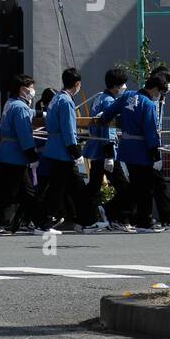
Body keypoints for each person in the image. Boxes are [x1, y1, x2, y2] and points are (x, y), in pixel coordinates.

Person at [101, 74, 167, 231]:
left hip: (126, 146)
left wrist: (105, 118)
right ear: (156, 89)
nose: (160, 95)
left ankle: (124, 214)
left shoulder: (128, 95)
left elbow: (109, 113)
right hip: (141, 149)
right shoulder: (149, 104)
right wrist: (155, 154)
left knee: (137, 185)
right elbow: (150, 132)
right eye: (160, 92)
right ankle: (142, 219)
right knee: (144, 187)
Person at [44, 67, 104, 234]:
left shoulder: (56, 98)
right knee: (62, 189)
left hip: (55, 148)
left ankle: (85, 221)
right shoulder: (67, 101)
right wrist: (75, 151)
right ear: (77, 84)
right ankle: (46, 221)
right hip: (63, 151)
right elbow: (69, 129)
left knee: (73, 188)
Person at [85, 68, 133, 232]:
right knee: (125, 188)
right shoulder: (109, 102)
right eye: (123, 84)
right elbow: (109, 130)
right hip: (107, 151)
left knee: (93, 186)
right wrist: (109, 155)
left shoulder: (98, 98)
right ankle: (115, 215)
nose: (125, 87)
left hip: (96, 150)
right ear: (115, 86)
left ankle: (85, 217)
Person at [0, 76, 39, 236]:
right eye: (31, 87)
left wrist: (42, 112)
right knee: (18, 192)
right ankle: (1, 223)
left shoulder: (11, 103)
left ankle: (30, 221)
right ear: (23, 89)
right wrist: (32, 156)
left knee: (20, 191)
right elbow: (25, 135)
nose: (33, 91)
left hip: (7, 153)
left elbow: (29, 112)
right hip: (16, 155)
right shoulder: (20, 107)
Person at [149, 65, 170, 228]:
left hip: (153, 146)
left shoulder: (159, 98)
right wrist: (155, 153)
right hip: (149, 148)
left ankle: (133, 216)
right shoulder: (151, 99)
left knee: (149, 186)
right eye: (167, 82)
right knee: (157, 185)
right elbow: (151, 127)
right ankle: (168, 218)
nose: (169, 86)